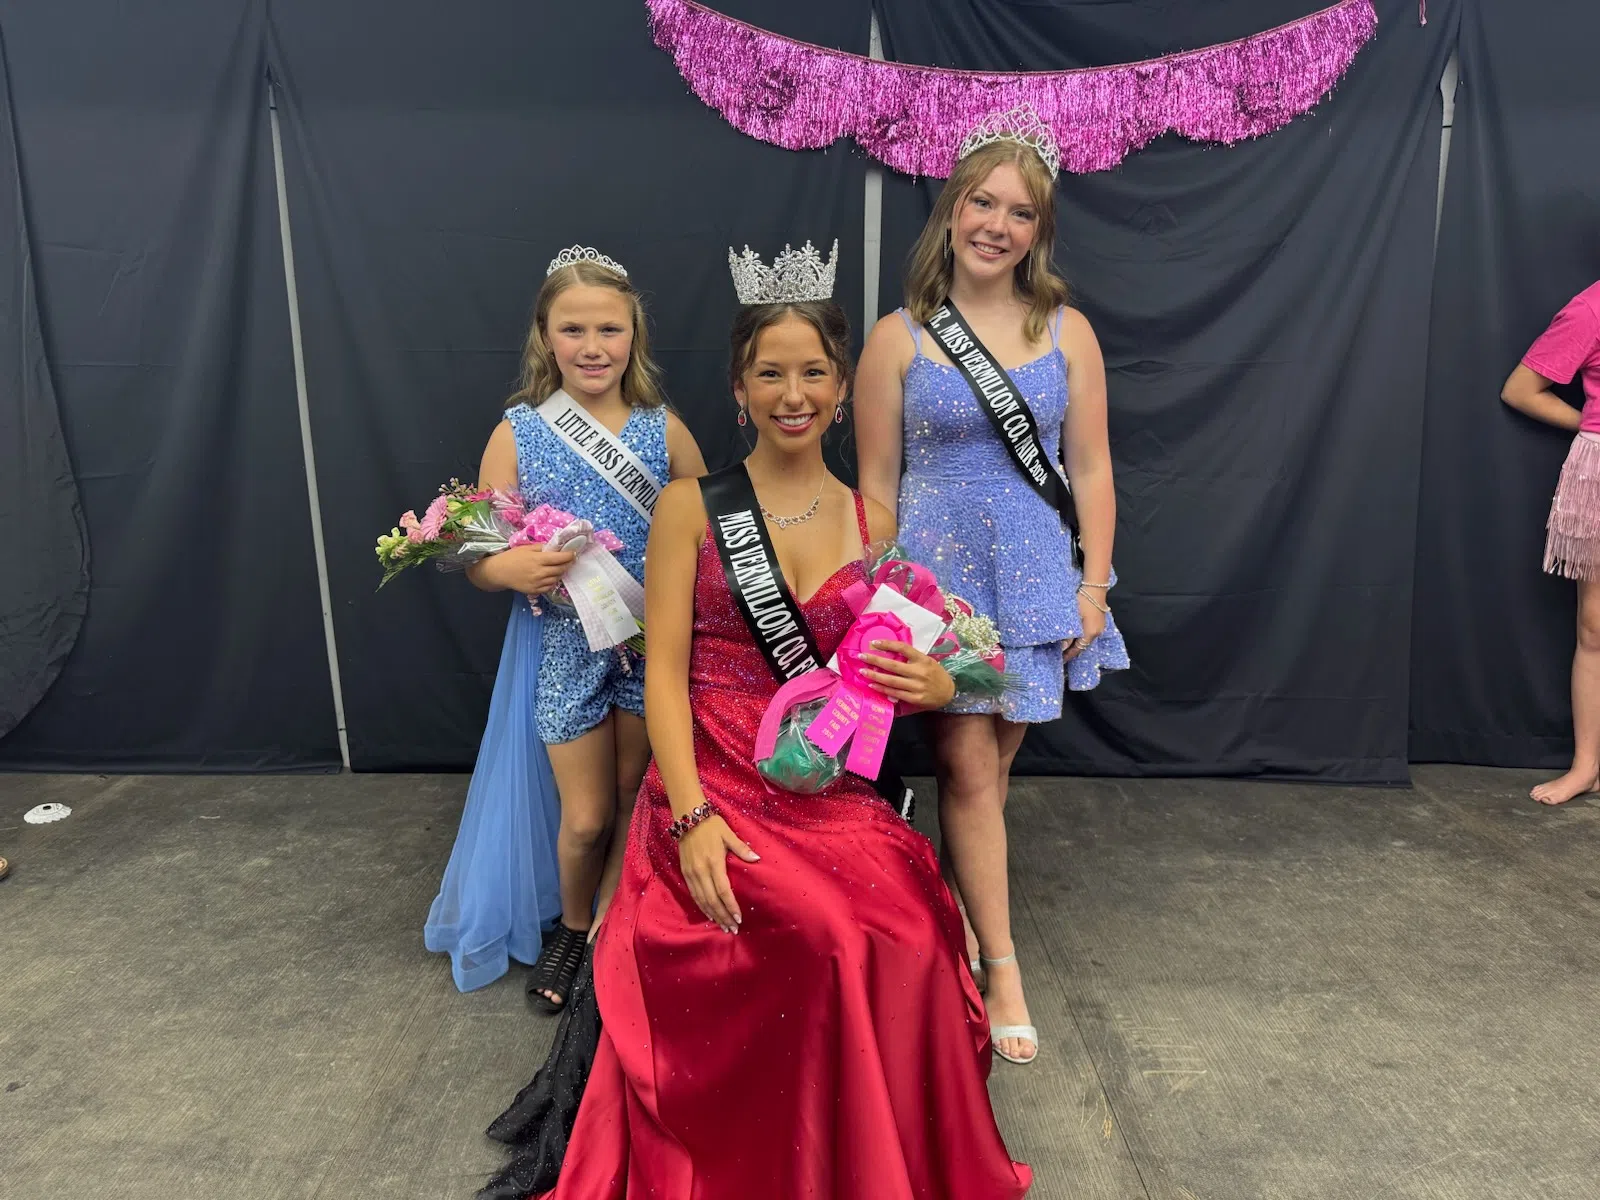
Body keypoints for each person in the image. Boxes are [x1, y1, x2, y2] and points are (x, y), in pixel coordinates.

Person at [507, 240, 1029, 1199]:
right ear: (740, 390)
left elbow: (922, 661)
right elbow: (660, 677)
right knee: (822, 929)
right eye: (770, 373)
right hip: (710, 766)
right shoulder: (687, 508)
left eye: (814, 373)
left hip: (819, 778)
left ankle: (864, 1155)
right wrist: (691, 819)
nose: (795, 393)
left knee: (909, 926)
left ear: (840, 390)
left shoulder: (876, 520)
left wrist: (938, 685)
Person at [855, 105, 1128, 1066]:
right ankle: (1001, 963)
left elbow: (1089, 469)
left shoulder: (1068, 332)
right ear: (952, 208)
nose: (997, 225)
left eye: (1021, 212)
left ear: (1038, 232)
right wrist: (879, 598)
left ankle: (960, 914)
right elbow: (876, 489)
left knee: (993, 773)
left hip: (1032, 575)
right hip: (936, 584)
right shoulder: (898, 338)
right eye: (983, 201)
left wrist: (1094, 585)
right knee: (968, 769)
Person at [425, 247, 705, 1003]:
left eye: (609, 329)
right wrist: (502, 570)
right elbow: (478, 553)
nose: (592, 346)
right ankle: (573, 929)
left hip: (650, 645)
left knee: (634, 793)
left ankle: (618, 921)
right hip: (564, 648)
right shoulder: (517, 432)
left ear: (633, 336)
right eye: (573, 328)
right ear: (546, 336)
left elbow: (706, 539)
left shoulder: (664, 430)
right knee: (583, 818)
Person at [1502, 277, 1600, 805]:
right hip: (1599, 474)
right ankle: (1586, 768)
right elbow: (1520, 390)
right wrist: (1591, 423)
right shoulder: (1590, 308)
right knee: (1596, 626)